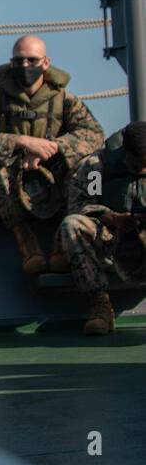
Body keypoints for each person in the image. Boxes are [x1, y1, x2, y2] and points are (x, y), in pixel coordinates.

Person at [0, 36, 103, 274]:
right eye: (19, 60)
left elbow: (94, 134)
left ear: (46, 63)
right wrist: (22, 142)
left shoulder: (63, 99)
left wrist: (53, 147)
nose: (26, 66)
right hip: (11, 182)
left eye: (32, 60)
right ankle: (25, 240)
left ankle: (63, 239)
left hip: (53, 176)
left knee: (89, 165)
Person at [56, 121, 146, 335]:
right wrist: (112, 217)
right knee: (72, 225)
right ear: (126, 153)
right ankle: (100, 305)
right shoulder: (98, 168)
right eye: (139, 165)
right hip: (112, 239)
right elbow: (82, 203)